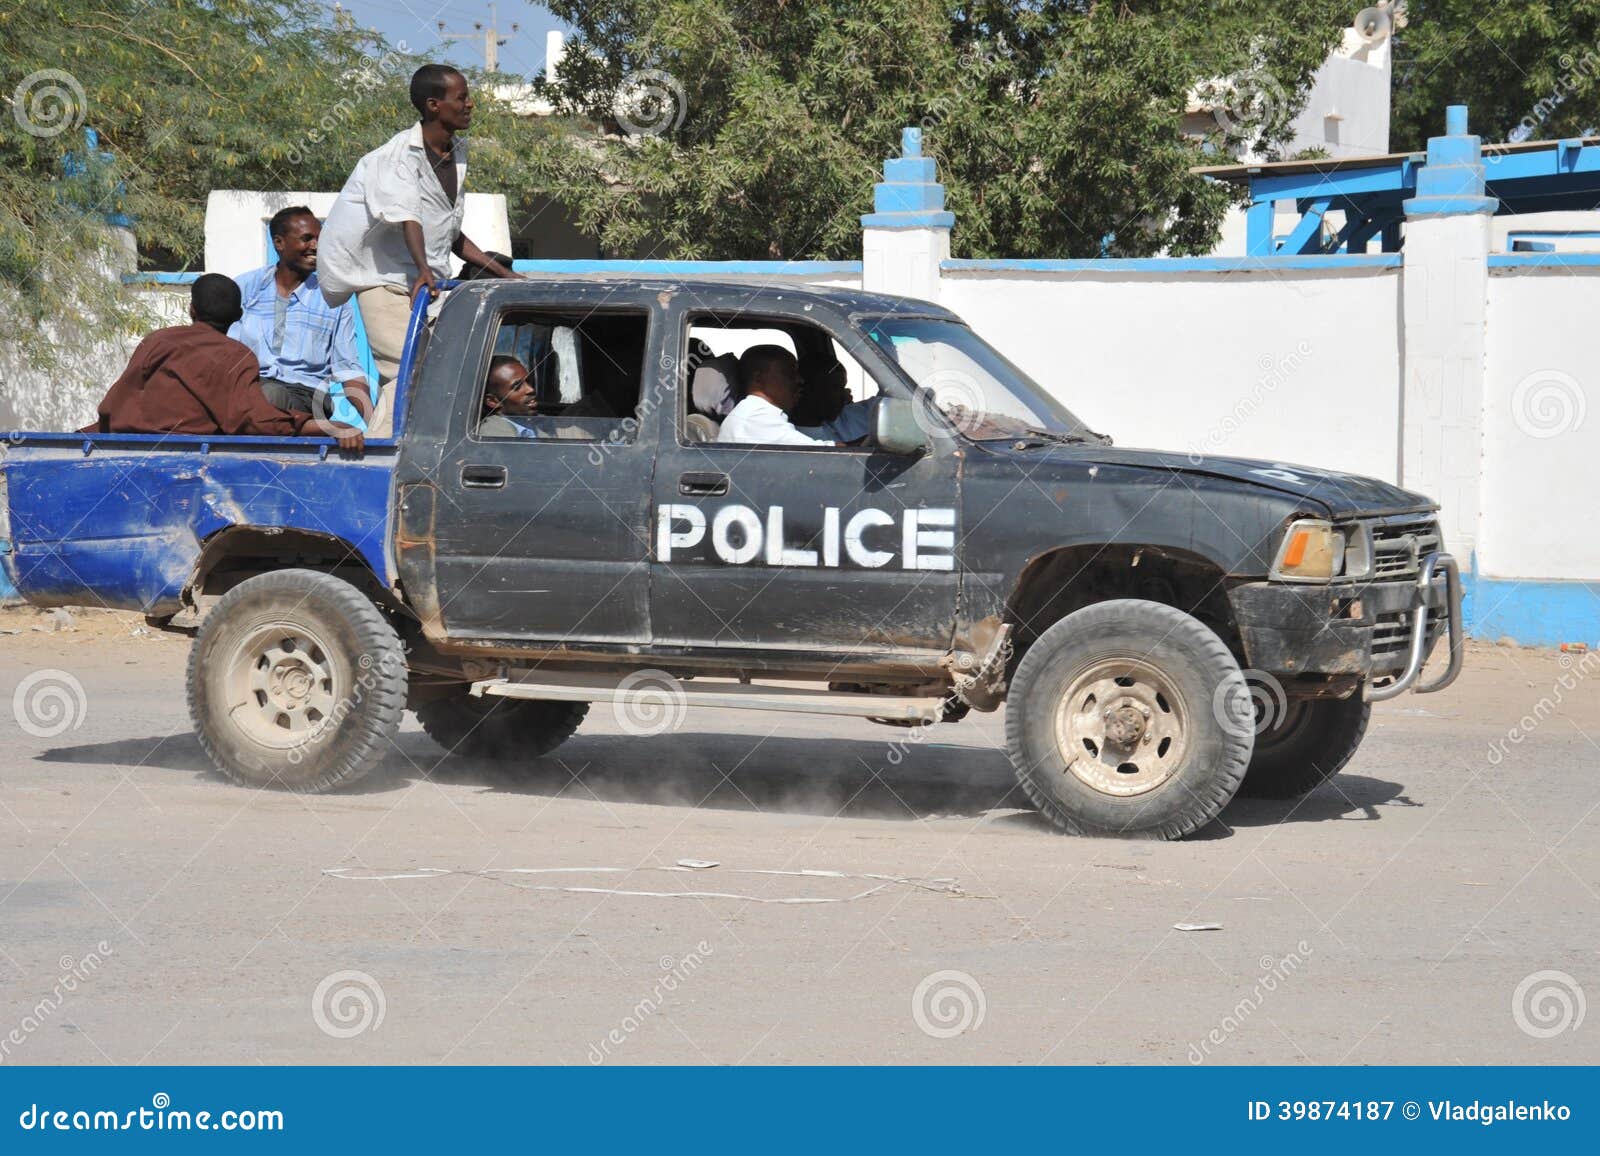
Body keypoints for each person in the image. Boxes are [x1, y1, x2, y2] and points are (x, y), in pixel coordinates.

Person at [318, 63, 520, 435]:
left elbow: (449, 232)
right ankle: (381, 459)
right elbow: (407, 216)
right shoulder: (394, 158)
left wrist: (504, 273)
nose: (470, 104)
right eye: (461, 98)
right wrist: (424, 268)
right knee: (410, 371)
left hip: (424, 286)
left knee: (433, 373)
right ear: (433, 105)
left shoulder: (457, 150)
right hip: (385, 283)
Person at [90, 275, 363, 450]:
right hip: (187, 451)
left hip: (127, 443)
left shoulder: (157, 340)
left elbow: (117, 400)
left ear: (191, 310)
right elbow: (256, 420)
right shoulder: (237, 356)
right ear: (238, 316)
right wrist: (328, 426)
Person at [229, 206, 372, 428]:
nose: (315, 246)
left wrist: (374, 427)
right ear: (279, 243)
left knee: (268, 396)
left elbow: (348, 368)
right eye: (307, 239)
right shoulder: (246, 288)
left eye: (319, 239)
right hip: (251, 390)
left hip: (307, 396)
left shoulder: (333, 299)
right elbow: (227, 351)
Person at [717, 345, 835, 446]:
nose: (800, 380)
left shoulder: (756, 412)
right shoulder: (756, 416)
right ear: (758, 378)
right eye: (789, 374)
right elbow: (825, 454)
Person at [478, 356, 539, 438]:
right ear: (493, 401)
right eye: (517, 387)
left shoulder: (545, 424)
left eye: (528, 381)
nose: (530, 389)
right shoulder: (492, 436)